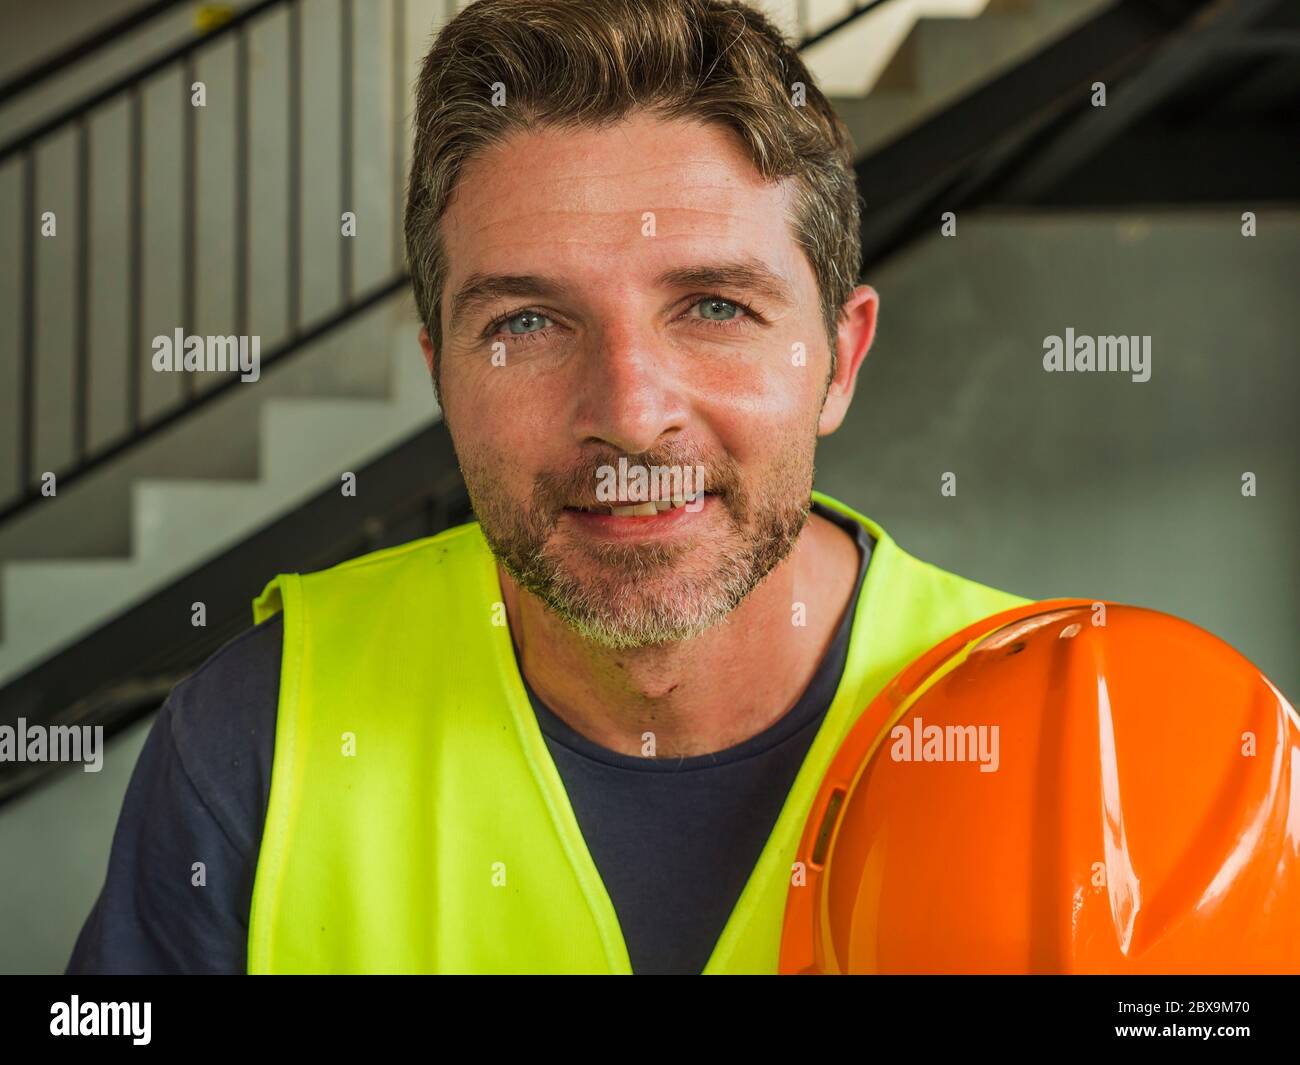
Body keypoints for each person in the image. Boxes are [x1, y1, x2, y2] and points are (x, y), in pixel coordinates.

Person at [68, 0, 1029, 975]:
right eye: (527, 323)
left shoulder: (1074, 724)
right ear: (442, 373)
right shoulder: (255, 735)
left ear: (839, 360)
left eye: (712, 306)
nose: (627, 410)